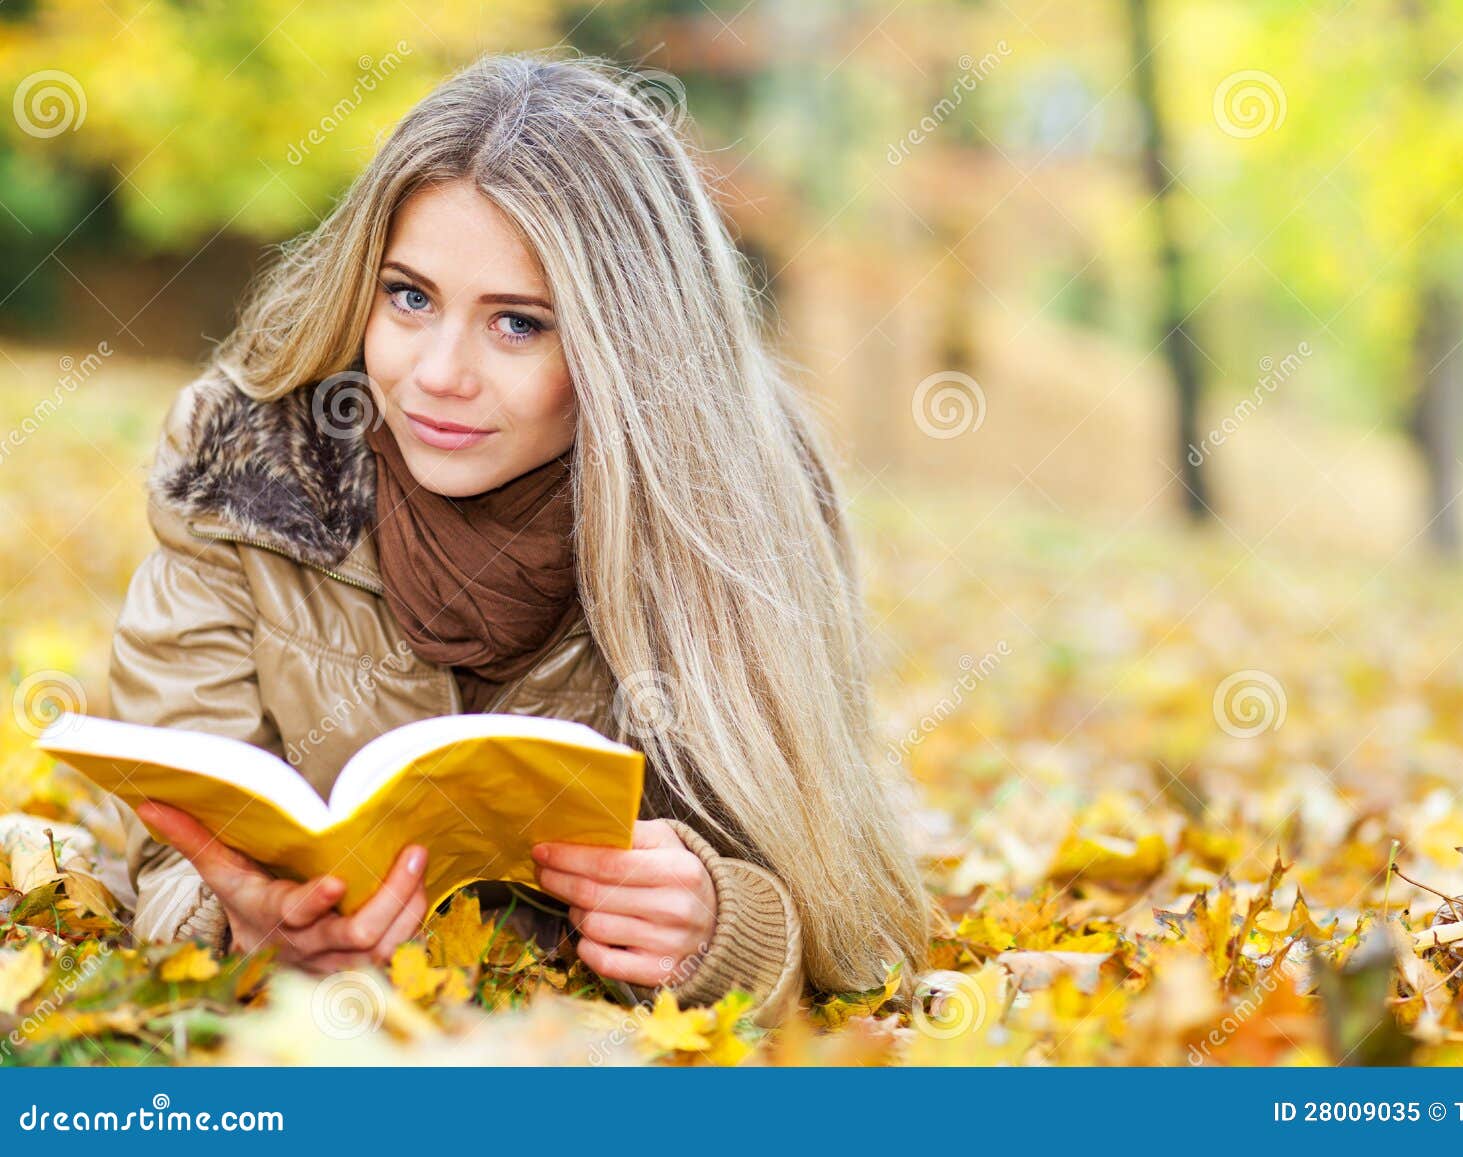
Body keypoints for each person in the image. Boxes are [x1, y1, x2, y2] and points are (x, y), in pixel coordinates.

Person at [110, 52, 930, 1028]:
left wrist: (724, 929)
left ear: (628, 346)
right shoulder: (242, 466)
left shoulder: (741, 505)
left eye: (517, 323)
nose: (438, 373)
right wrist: (234, 921)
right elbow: (168, 845)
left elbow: (858, 909)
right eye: (410, 297)